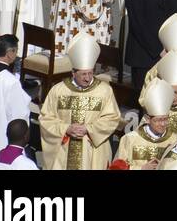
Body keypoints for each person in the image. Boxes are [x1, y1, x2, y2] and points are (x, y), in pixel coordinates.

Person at [39, 34, 121, 169]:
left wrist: (89, 129)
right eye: (83, 74)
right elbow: (46, 118)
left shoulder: (104, 90)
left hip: (93, 150)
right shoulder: (58, 91)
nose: (88, 78)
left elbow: (112, 118)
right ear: (73, 73)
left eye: (90, 73)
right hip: (65, 151)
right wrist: (66, 128)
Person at [124, 0, 175, 94]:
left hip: (162, 53)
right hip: (144, 56)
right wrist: (159, 50)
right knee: (145, 96)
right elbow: (139, 26)